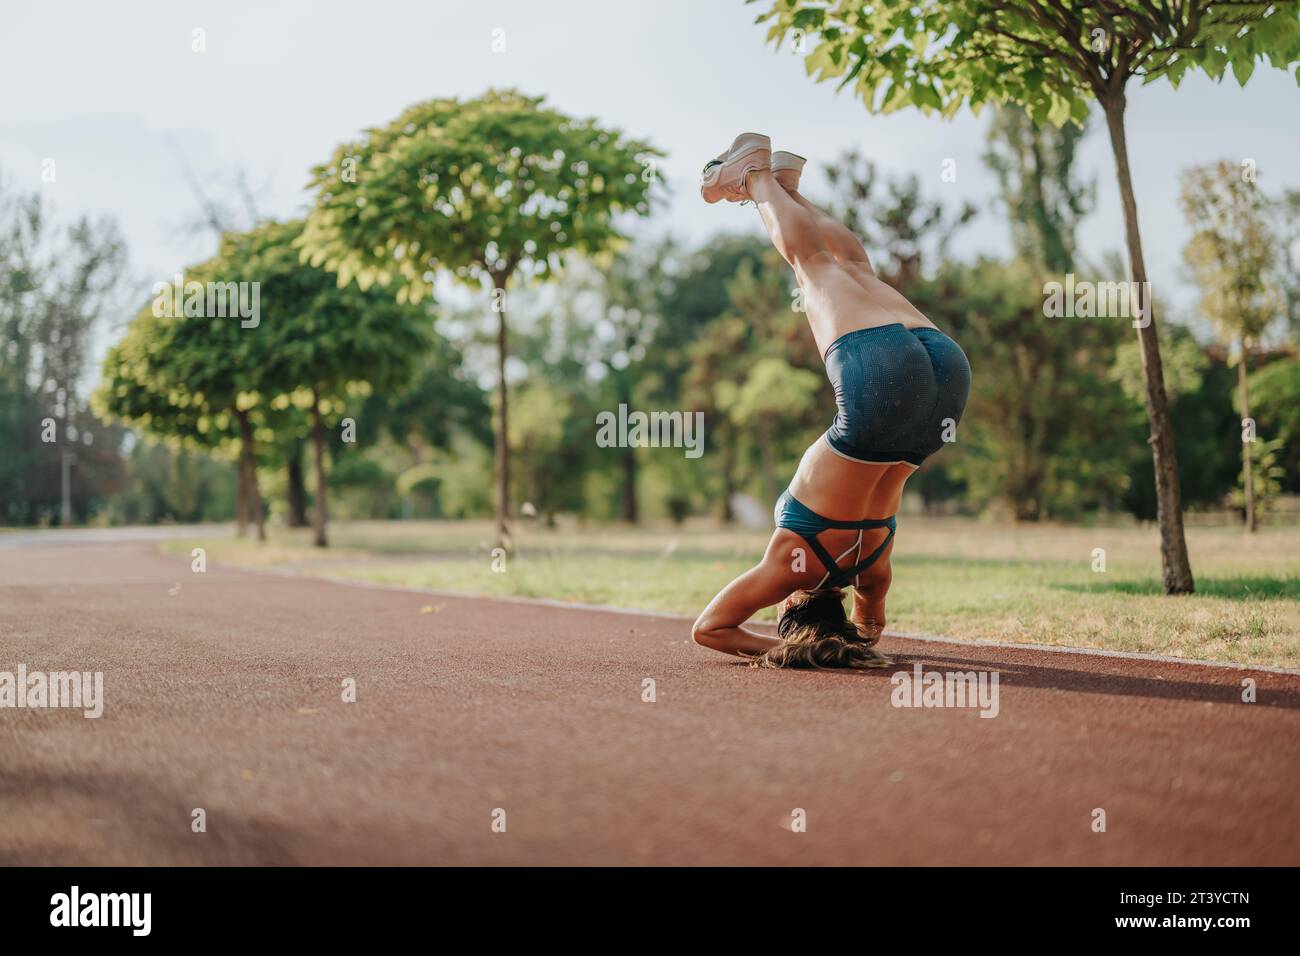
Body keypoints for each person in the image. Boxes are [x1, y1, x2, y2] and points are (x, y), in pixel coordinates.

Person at [693, 133, 971, 669]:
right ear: (790, 606)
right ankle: (755, 176)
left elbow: (872, 623)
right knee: (814, 265)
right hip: (877, 387)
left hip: (942, 384)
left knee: (854, 271)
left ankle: (787, 191)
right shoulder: (787, 570)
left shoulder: (872, 569)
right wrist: (789, 647)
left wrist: (843, 642)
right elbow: (710, 630)